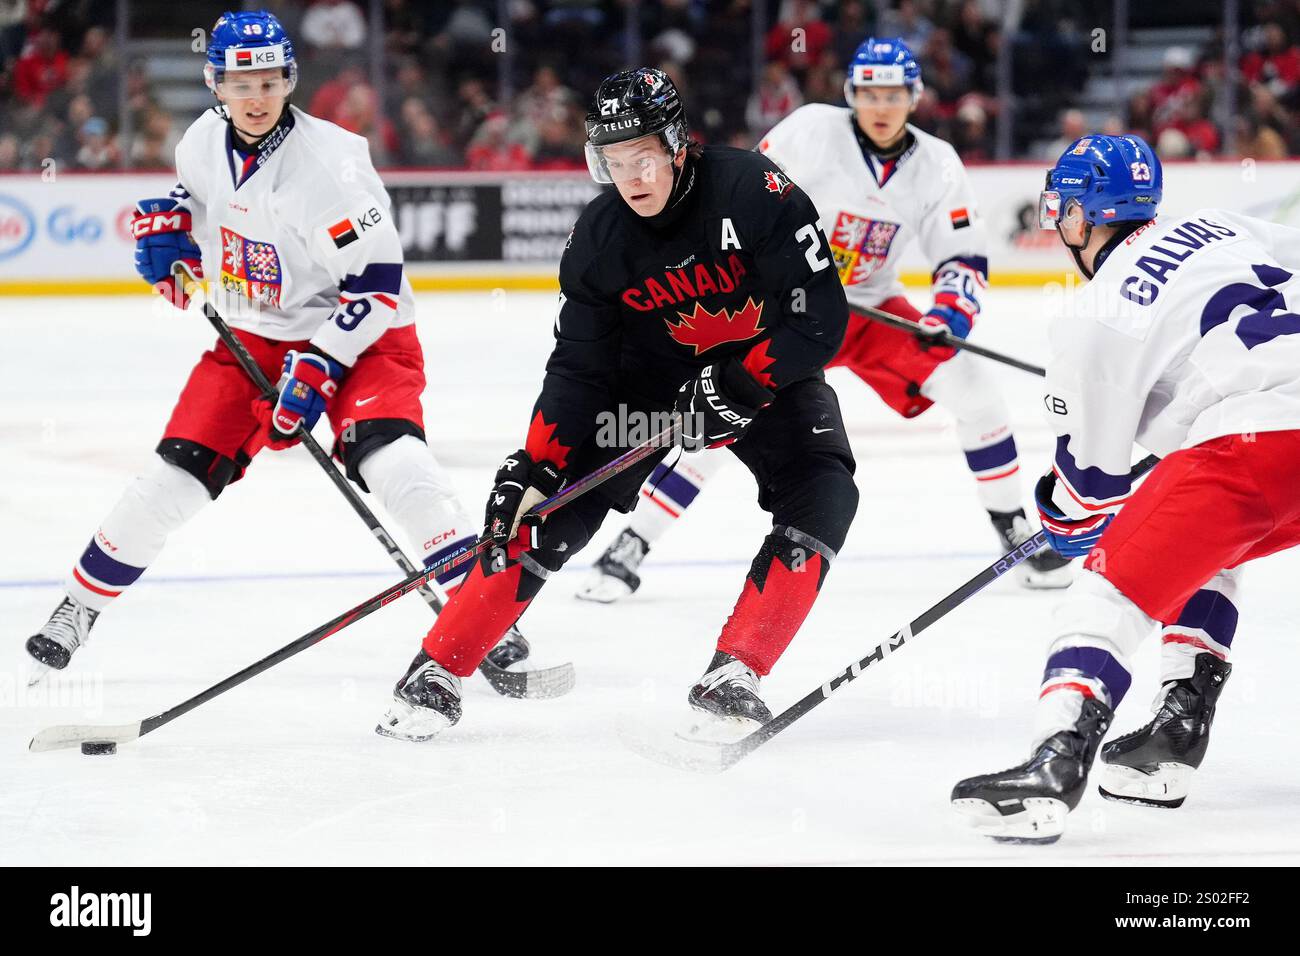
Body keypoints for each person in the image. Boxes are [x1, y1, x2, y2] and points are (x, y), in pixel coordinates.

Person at [25, 10, 530, 684]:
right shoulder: (201, 141)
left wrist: (319, 364)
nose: (256, 96)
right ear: (216, 85)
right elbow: (201, 200)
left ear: (289, 80)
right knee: (170, 479)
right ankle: (78, 607)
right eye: (241, 82)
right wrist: (175, 228)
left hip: (361, 341)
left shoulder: (332, 167)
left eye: (268, 80)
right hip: (254, 340)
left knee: (396, 465)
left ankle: (486, 614)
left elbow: (377, 286)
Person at [375, 67, 857, 742]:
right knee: (548, 513)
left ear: (677, 144)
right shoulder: (599, 240)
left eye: (644, 157)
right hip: (647, 392)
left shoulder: (756, 191)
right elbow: (579, 368)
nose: (631, 177)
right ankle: (436, 669)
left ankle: (735, 673)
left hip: (760, 373)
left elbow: (819, 318)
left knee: (824, 490)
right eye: (614, 160)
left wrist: (741, 385)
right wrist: (535, 466)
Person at [578, 37, 1069, 605]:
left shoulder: (938, 164)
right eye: (869, 92)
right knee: (724, 412)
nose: (880, 105)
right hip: (791, 304)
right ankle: (633, 543)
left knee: (976, 392)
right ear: (850, 94)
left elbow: (961, 257)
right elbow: (739, 197)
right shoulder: (809, 130)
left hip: (874, 307)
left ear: (915, 96)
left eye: (893, 93)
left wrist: (948, 314)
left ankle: (1013, 525)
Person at [951, 134, 1300, 843]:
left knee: (1106, 590)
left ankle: (1055, 762)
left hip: (1256, 444)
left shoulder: (1096, 313)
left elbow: (1089, 502)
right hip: (1266, 426)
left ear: (1081, 216)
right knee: (1207, 550)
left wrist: (1055, 509)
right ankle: (1171, 739)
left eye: (1064, 211)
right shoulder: (1222, 223)